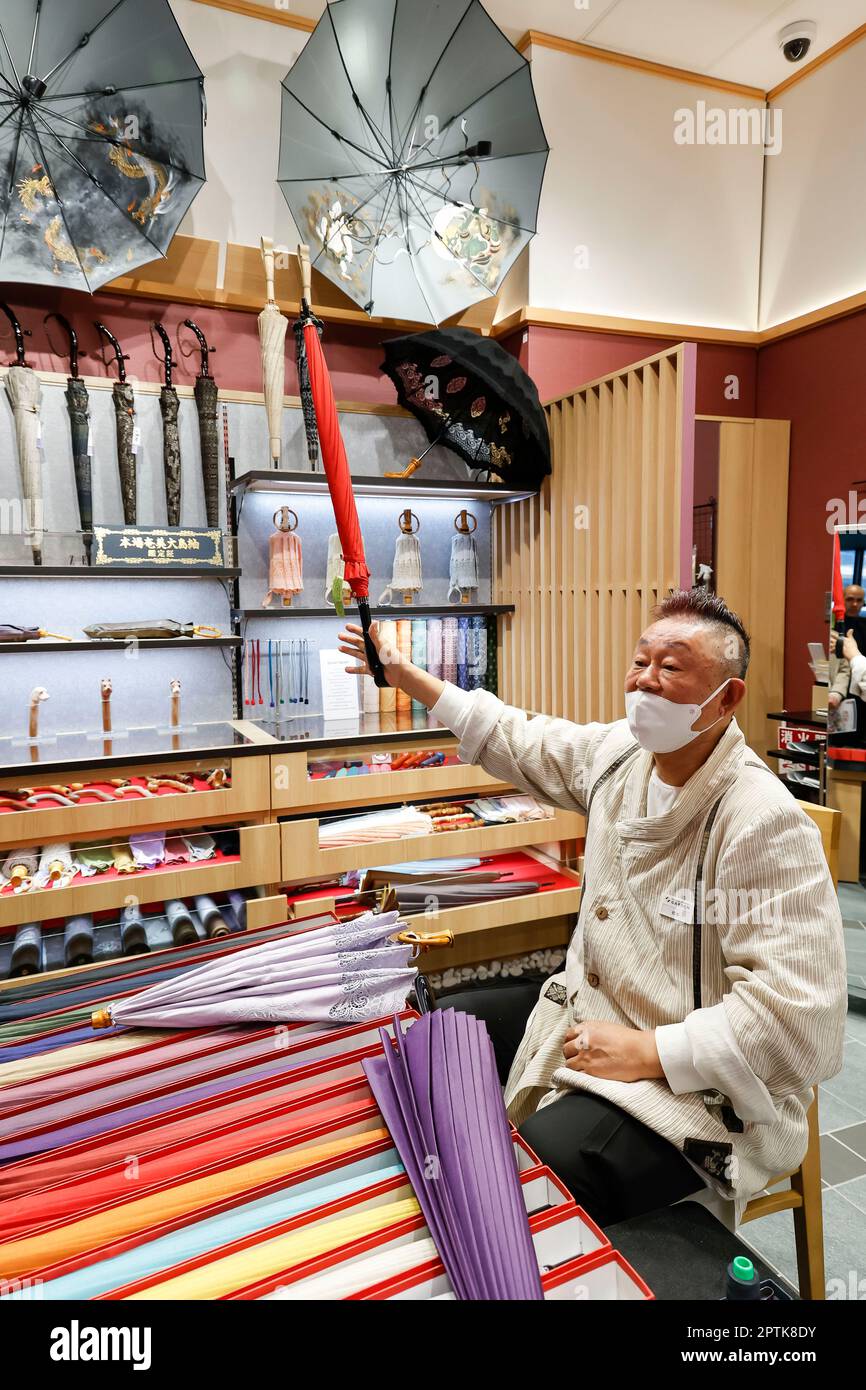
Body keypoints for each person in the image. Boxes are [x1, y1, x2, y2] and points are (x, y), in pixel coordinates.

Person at [340, 589, 846, 1226]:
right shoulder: (622, 758)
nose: (646, 681)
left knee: (539, 1173)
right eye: (641, 661)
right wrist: (406, 676)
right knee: (442, 1034)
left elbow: (800, 1023)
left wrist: (649, 1051)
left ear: (729, 698)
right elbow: (524, 738)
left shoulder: (760, 821)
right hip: (587, 1011)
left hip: (700, 1089)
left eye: (672, 666)